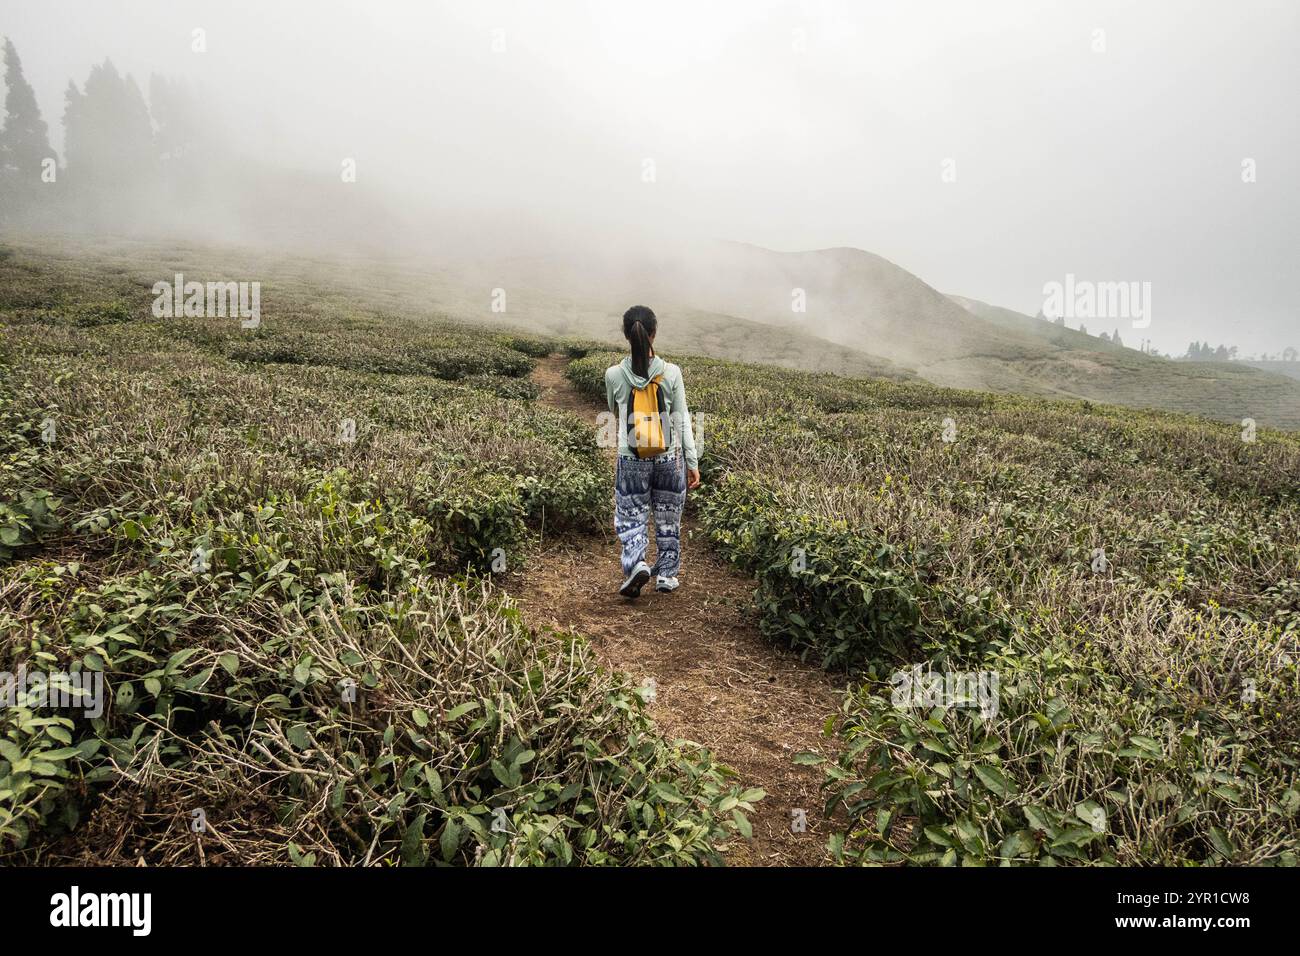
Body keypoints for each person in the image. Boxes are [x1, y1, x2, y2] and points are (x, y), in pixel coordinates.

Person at [604, 305, 700, 598]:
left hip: (631, 456)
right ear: (653, 333)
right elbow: (682, 419)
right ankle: (667, 576)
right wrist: (692, 461)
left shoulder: (613, 374)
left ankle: (636, 564)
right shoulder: (672, 373)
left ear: (626, 335)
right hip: (669, 456)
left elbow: (612, 410)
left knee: (631, 514)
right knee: (669, 515)